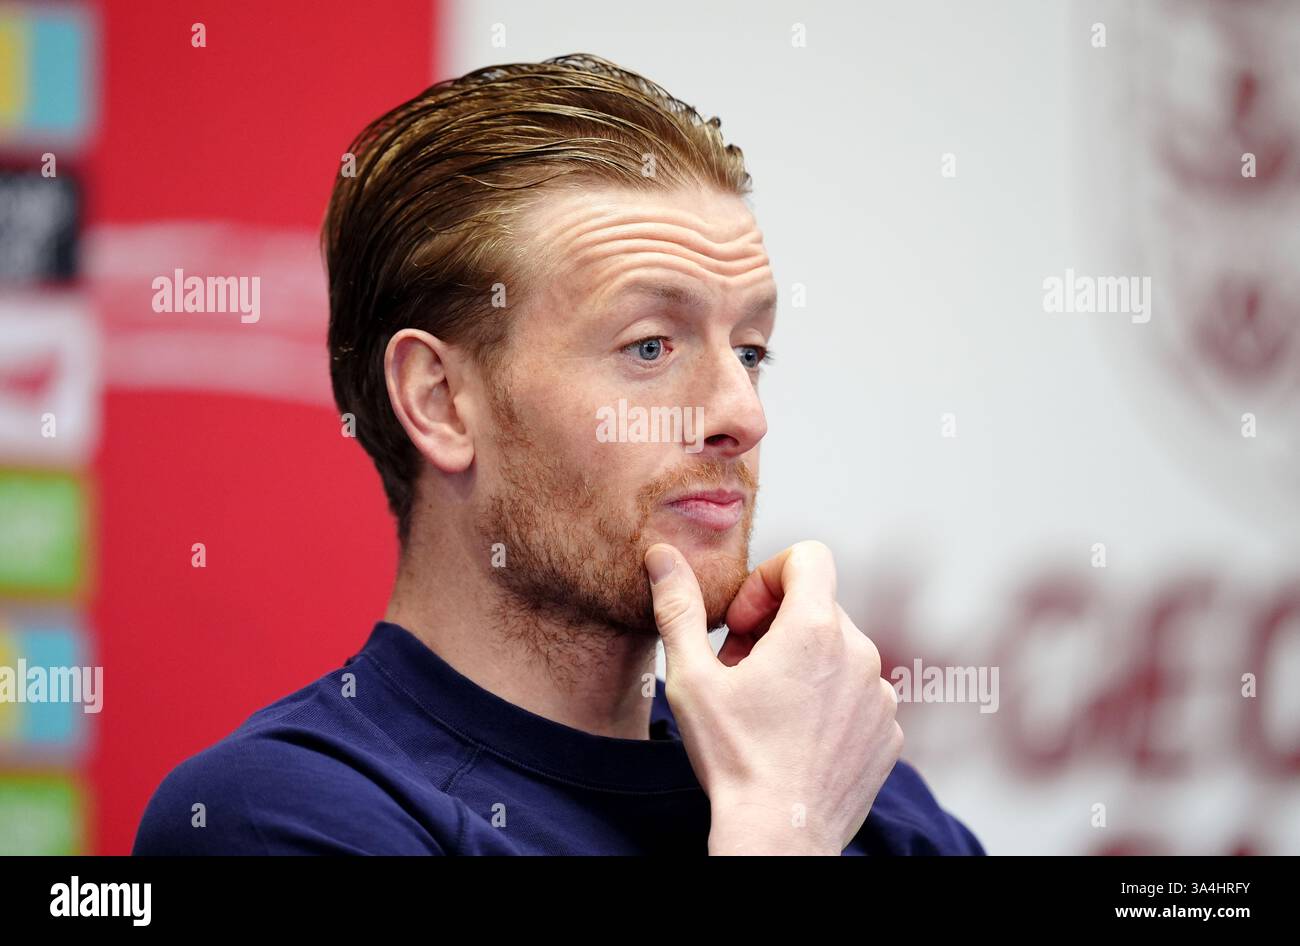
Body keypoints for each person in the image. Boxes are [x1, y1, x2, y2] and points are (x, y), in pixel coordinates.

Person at [133, 53, 985, 855]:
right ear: (440, 402)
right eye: (651, 347)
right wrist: (778, 830)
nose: (741, 412)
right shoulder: (276, 812)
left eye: (751, 350)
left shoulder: (862, 800)